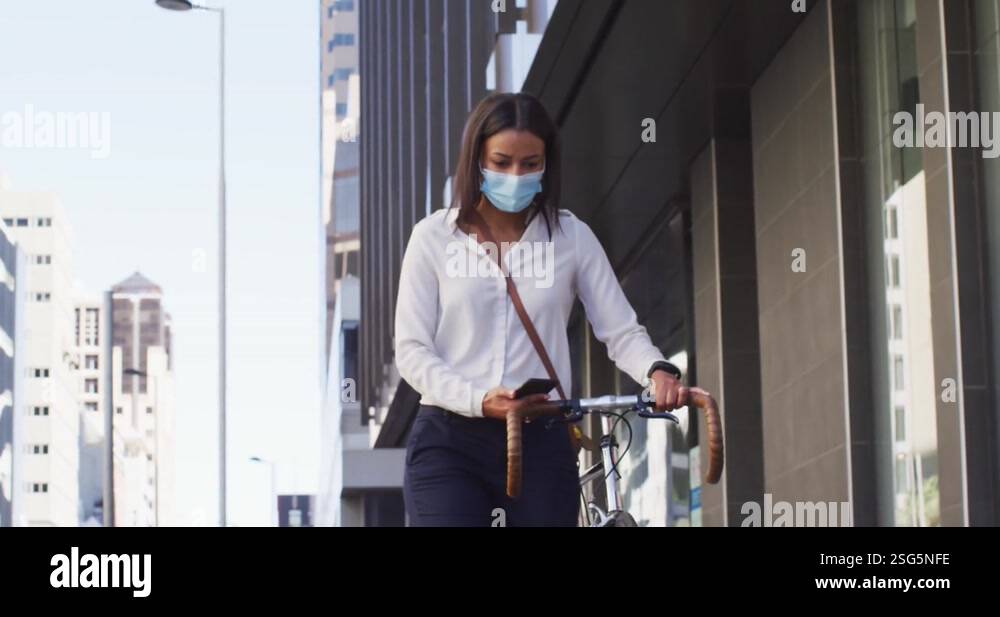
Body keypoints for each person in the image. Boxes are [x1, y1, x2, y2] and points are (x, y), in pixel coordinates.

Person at [395, 92, 691, 527]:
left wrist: (658, 370)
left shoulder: (572, 237)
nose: (515, 175)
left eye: (530, 163)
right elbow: (413, 351)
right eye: (501, 162)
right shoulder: (433, 237)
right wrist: (478, 400)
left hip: (542, 439)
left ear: (547, 163)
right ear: (476, 159)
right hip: (450, 437)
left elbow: (620, 330)